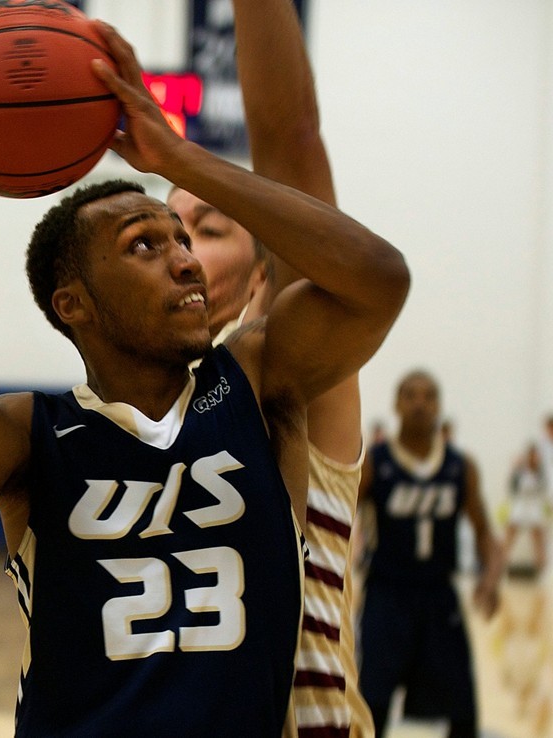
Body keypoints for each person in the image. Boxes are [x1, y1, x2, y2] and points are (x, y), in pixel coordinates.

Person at [0, 19, 408, 737]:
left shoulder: (264, 382)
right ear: (74, 304)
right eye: (147, 243)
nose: (184, 257)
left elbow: (371, 273)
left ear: (263, 277)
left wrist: (184, 158)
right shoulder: (39, 434)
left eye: (194, 236)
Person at [169, 1, 376, 733]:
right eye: (164, 228)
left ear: (265, 280)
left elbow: (291, 145)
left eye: (211, 227)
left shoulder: (291, 372)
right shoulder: (112, 416)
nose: (179, 245)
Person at [356, 369, 503, 738]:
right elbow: (339, 520)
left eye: (429, 396)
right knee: (371, 706)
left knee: (463, 710)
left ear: (439, 405)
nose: (420, 403)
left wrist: (491, 577)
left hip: (439, 598)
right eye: (411, 395)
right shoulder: (375, 462)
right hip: (386, 596)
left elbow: (485, 532)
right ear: (396, 404)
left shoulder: (459, 466)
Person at [503, 441, 549, 574]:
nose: (535, 458)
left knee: (538, 540)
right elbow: (512, 488)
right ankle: (500, 565)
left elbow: (543, 489)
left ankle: (541, 568)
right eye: (532, 455)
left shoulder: (540, 473)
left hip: (534, 507)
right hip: (520, 506)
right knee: (509, 537)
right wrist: (513, 468)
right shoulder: (519, 471)